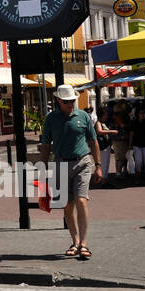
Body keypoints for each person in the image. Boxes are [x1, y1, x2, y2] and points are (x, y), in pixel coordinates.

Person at [41, 85, 100, 259]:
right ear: (58, 100)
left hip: (82, 161)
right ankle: (74, 241)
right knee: (67, 205)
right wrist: (43, 167)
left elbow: (94, 142)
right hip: (61, 164)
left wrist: (98, 166)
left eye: (72, 101)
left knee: (81, 200)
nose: (70, 104)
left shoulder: (83, 116)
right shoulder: (51, 119)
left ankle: (83, 243)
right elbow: (45, 145)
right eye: (66, 101)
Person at [93, 107, 117, 186]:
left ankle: (105, 180)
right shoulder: (98, 123)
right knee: (103, 163)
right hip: (102, 147)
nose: (106, 116)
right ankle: (103, 181)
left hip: (106, 146)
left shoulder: (102, 123)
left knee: (106, 163)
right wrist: (111, 131)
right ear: (101, 115)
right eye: (105, 115)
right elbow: (99, 131)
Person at [130, 108, 145, 182]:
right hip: (137, 143)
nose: (142, 114)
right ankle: (138, 173)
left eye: (143, 113)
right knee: (138, 160)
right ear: (137, 114)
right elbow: (131, 134)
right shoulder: (134, 123)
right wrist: (130, 144)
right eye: (141, 113)